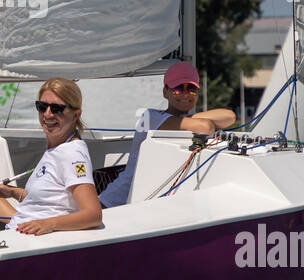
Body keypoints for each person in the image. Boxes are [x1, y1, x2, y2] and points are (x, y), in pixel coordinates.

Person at [0, 77, 103, 239]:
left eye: (57, 109)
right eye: (42, 107)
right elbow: (48, 200)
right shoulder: (57, 148)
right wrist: (11, 191)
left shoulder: (71, 153)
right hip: (16, 227)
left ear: (76, 115)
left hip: (19, 237)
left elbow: (93, 214)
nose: (47, 114)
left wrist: (48, 224)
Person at [97, 61, 237, 208]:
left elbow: (230, 117)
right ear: (165, 92)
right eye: (178, 88)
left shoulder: (187, 122)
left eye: (191, 89)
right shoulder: (150, 117)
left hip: (143, 201)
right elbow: (205, 126)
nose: (184, 94)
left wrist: (191, 117)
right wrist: (199, 119)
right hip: (114, 203)